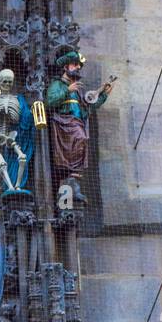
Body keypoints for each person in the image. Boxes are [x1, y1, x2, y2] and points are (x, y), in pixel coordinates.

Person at [45, 47, 114, 206]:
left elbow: (88, 105)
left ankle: (71, 185)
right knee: (79, 139)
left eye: (78, 66)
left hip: (77, 123)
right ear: (65, 67)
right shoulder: (58, 84)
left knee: (81, 143)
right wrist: (67, 90)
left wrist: (104, 94)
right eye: (74, 65)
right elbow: (49, 102)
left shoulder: (78, 88)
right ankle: (67, 185)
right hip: (64, 125)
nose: (77, 68)